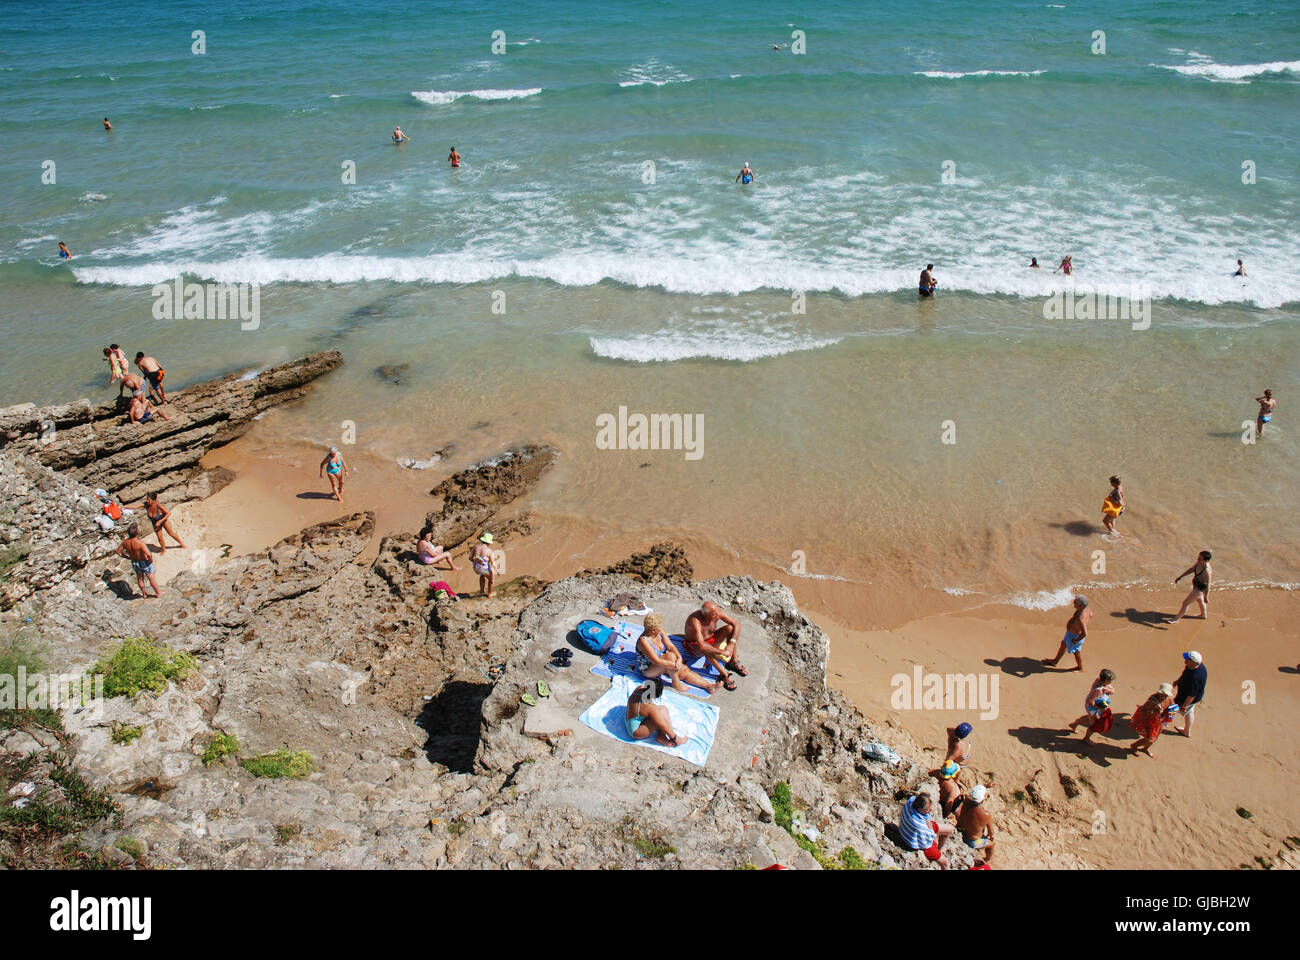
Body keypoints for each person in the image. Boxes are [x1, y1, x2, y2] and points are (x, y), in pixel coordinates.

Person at [636, 612, 720, 694]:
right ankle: (676, 683)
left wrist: (679, 658)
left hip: (664, 661)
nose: (661, 627)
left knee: (684, 669)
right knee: (671, 658)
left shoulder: (660, 632)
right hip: (649, 669)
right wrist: (674, 665)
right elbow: (656, 661)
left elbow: (670, 646)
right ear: (653, 631)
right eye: (659, 626)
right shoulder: (643, 641)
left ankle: (709, 686)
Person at [684, 600, 746, 691]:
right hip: (694, 646)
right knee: (705, 648)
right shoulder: (695, 621)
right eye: (713, 614)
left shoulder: (717, 613)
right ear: (706, 615)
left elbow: (737, 624)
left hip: (711, 640)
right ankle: (723, 674)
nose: (717, 615)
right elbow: (702, 646)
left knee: (730, 628)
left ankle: (733, 661)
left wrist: (732, 644)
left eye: (717, 612)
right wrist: (722, 652)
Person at [624, 677, 687, 747]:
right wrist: (675, 738)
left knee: (663, 709)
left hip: (629, 719)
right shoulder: (649, 708)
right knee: (660, 716)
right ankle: (663, 736)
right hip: (636, 732)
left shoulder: (640, 688)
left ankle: (661, 735)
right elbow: (664, 725)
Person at [898, 792, 954, 869]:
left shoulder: (910, 802)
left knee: (950, 829)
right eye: (927, 809)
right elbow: (930, 839)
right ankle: (938, 852)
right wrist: (935, 838)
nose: (930, 811)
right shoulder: (920, 826)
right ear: (919, 809)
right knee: (945, 863)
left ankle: (939, 850)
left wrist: (928, 823)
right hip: (916, 841)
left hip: (912, 830)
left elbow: (928, 822)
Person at [1042, 595, 1091, 670]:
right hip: (1070, 634)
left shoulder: (1081, 617)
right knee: (1063, 645)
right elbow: (1091, 615)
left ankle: (1080, 667)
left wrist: (1076, 640)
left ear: (1080, 605)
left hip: (1074, 636)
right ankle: (1055, 661)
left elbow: (1085, 633)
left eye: (1075, 602)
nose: (1073, 602)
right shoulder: (1086, 609)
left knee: (1076, 653)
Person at [116, 523, 162, 598]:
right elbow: (149, 554)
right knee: (151, 578)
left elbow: (118, 552)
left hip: (134, 562)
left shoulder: (125, 542)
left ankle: (144, 594)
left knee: (140, 578)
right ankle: (158, 593)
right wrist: (150, 561)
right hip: (143, 561)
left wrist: (127, 557)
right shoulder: (140, 543)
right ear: (137, 533)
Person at [1069, 668, 1115, 742]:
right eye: (1110, 681)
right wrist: (1100, 708)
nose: (1111, 682)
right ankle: (1086, 738)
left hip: (1094, 704)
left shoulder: (1099, 681)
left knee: (1089, 718)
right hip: (1093, 708)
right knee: (1095, 725)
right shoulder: (1099, 690)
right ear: (1106, 681)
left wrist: (1108, 690)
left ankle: (1074, 724)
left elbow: (1113, 691)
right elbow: (1091, 702)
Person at [1129, 683, 1174, 756]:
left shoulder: (1169, 698)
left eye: (1165, 694)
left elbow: (1174, 706)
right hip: (1150, 720)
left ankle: (1145, 748)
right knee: (1150, 738)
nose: (1163, 696)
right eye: (1162, 694)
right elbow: (1143, 710)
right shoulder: (1153, 700)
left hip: (1160, 720)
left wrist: (1172, 712)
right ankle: (1134, 746)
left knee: (1156, 736)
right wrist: (1155, 711)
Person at [955, 783, 996, 862]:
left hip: (961, 832)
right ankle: (987, 858)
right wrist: (991, 836)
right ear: (983, 800)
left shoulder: (966, 802)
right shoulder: (986, 814)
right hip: (972, 841)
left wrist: (986, 786)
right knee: (992, 844)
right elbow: (991, 832)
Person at [1167, 551, 1211, 623]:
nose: (1198, 559)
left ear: (1206, 561)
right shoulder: (1199, 562)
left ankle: (1176, 619)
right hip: (1196, 584)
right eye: (1198, 557)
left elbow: (1208, 584)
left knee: (1185, 603)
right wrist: (1180, 577)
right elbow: (1192, 569)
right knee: (1199, 600)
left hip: (1200, 588)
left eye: (1200, 558)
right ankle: (1203, 615)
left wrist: (1206, 596)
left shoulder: (1207, 571)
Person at [1171, 651, 1207, 739]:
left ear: (1194, 662)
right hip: (1186, 695)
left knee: (1171, 708)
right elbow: (1184, 674)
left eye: (1187, 660)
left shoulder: (1196, 677)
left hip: (1187, 699)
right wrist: (1178, 681)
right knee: (1189, 712)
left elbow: (1192, 694)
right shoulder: (1192, 666)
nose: (1185, 661)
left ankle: (1161, 724)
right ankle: (1187, 731)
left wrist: (1184, 705)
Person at [470, 532, 495, 597]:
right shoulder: (489, 551)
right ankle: (490, 594)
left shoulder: (476, 547)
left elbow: (470, 558)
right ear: (489, 542)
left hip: (475, 567)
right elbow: (492, 563)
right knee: (491, 579)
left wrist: (476, 563)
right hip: (483, 568)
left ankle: (481, 591)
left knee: (482, 575)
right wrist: (497, 571)